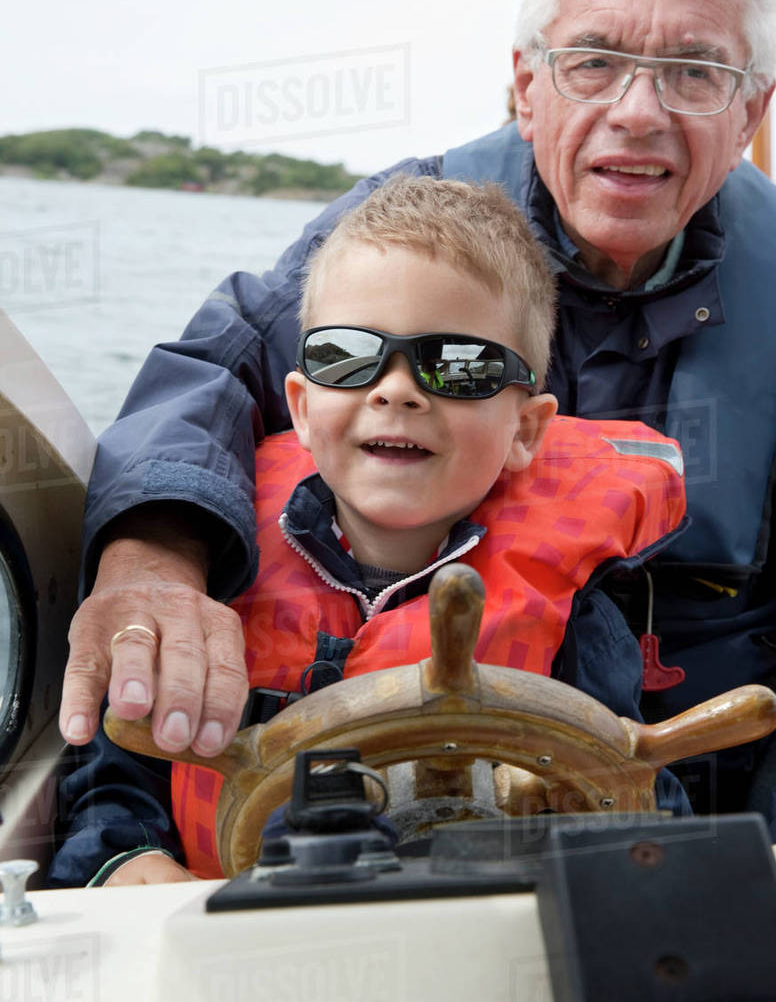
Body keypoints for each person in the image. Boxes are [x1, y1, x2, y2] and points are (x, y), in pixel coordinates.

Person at [59, 0, 776, 835]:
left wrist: (771, 861)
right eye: (595, 61)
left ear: (751, 112)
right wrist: (151, 563)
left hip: (717, 787)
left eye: (694, 72)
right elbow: (215, 369)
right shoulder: (409, 234)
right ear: (528, 88)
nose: (639, 111)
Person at [50, 176, 688, 886]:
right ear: (299, 406)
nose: (395, 389)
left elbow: (634, 790)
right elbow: (109, 789)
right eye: (345, 356)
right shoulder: (218, 580)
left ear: (525, 430)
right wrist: (132, 866)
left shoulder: (574, 616)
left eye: (459, 365)